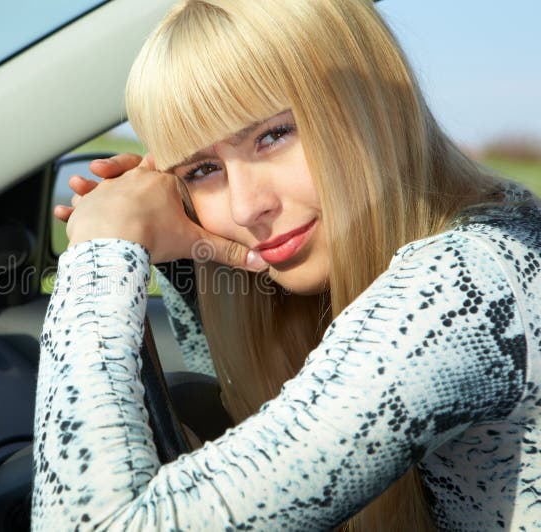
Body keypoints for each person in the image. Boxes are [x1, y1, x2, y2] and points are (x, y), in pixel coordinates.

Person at [32, 0, 541, 529]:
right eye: (202, 170)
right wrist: (182, 247)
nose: (245, 208)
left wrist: (101, 254)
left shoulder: (467, 287)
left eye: (273, 135)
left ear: (374, 109)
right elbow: (236, 412)